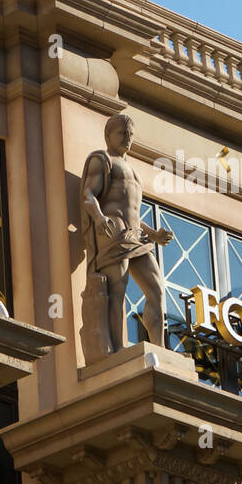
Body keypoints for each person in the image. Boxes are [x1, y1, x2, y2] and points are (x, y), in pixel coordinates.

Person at [79, 114, 172, 353]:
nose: (127, 138)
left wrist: (153, 234)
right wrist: (98, 217)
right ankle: (118, 347)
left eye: (130, 134)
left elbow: (133, 212)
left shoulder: (133, 170)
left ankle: (159, 346)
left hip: (136, 235)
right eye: (122, 133)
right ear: (108, 135)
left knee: (156, 289)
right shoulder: (102, 160)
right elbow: (88, 195)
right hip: (113, 230)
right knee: (117, 288)